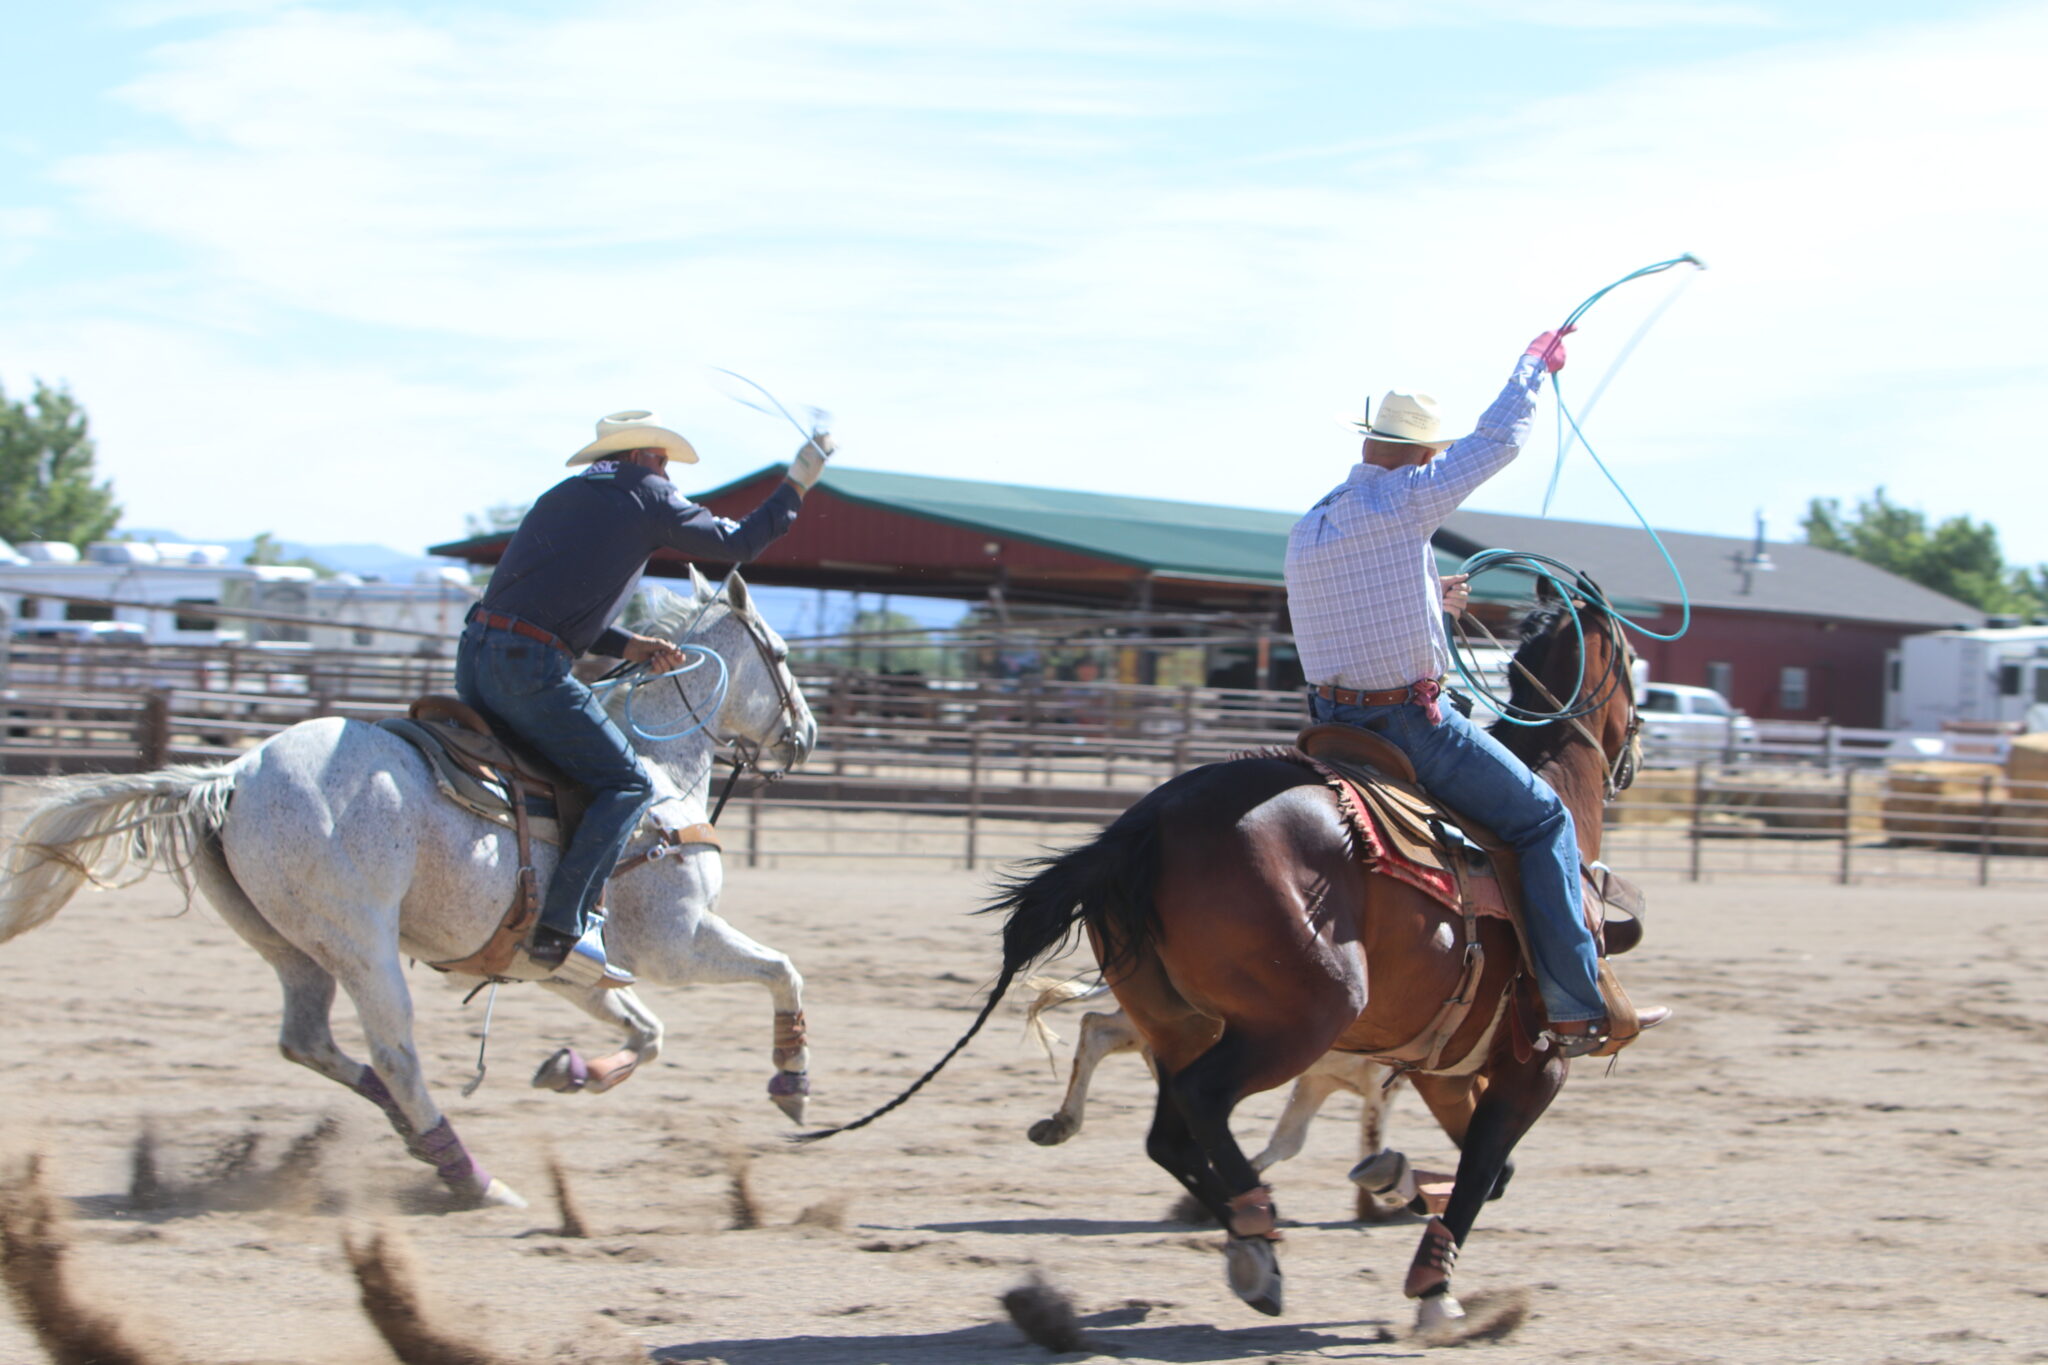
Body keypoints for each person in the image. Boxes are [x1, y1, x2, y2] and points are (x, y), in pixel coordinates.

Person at [1283, 331, 1667, 1057]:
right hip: (1407, 724)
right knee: (1544, 820)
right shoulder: (1407, 500)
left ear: (1368, 442)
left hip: (1329, 720)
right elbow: (1496, 441)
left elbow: (1351, 608)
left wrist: (1431, 599)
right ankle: (1576, 1002)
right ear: (1423, 455)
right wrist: (1534, 368)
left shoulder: (1316, 521)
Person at [456, 410, 829, 988]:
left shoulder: (563, 496)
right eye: (661, 459)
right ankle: (564, 927)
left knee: (540, 774)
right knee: (628, 783)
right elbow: (739, 544)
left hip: (475, 661)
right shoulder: (646, 494)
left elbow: (543, 604)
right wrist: (796, 485)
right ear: (637, 457)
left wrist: (627, 646)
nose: (667, 473)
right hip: (529, 671)